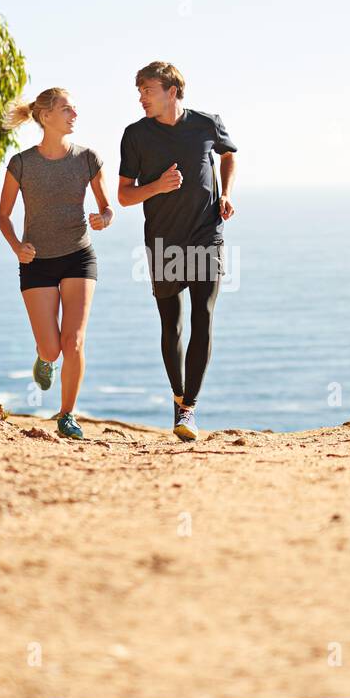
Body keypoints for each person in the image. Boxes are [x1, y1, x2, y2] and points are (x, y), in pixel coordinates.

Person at [117, 61, 237, 441]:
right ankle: (178, 397)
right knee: (172, 325)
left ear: (172, 91)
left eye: (147, 90)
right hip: (164, 242)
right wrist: (158, 187)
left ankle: (189, 410)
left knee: (203, 314)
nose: (141, 98)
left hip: (206, 234)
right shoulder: (135, 135)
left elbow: (228, 154)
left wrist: (227, 194)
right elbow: (124, 195)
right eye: (139, 92)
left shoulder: (206, 124)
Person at [0, 87, 113, 440]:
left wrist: (104, 218)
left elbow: (107, 207)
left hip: (79, 255)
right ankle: (44, 359)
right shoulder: (21, 163)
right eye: (67, 109)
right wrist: (18, 246)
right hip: (37, 261)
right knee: (52, 348)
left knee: (73, 342)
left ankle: (66, 415)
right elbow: (3, 215)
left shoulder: (88, 158)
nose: (74, 114)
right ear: (46, 116)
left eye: (74, 108)